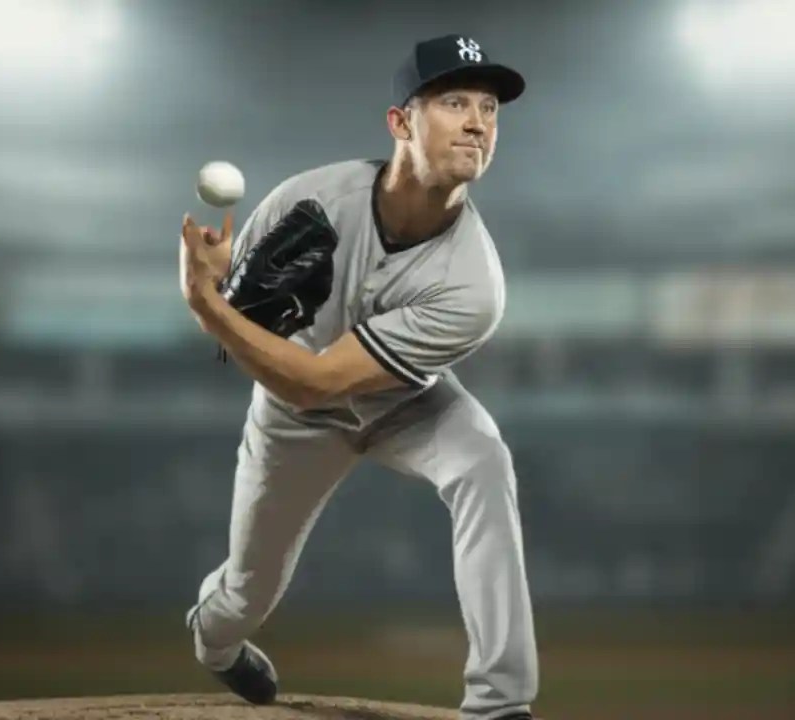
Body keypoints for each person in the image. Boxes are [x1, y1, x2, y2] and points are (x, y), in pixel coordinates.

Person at [177, 34, 537, 720]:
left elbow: (320, 378)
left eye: (490, 108)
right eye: (454, 101)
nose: (478, 121)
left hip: (407, 403)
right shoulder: (304, 199)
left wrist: (209, 307)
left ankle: (501, 703)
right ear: (400, 122)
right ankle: (214, 643)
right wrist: (216, 298)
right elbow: (248, 346)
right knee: (246, 596)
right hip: (292, 419)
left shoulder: (475, 285)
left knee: (483, 458)